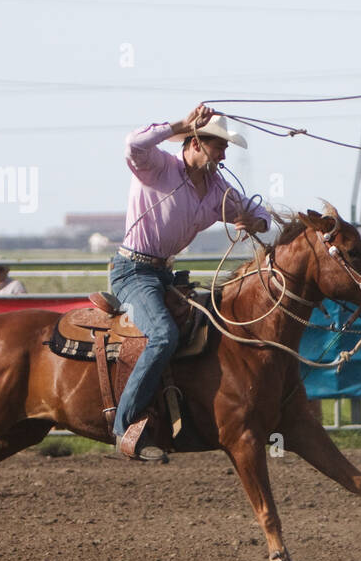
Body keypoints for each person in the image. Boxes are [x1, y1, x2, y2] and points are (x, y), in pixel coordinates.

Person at [114, 105, 270, 460]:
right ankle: (125, 427)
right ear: (196, 142)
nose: (225, 154)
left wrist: (253, 222)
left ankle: (182, 418)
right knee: (164, 335)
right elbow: (132, 144)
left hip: (164, 275)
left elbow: (257, 211)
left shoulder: (217, 188)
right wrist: (179, 125)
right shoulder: (157, 168)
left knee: (212, 326)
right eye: (219, 146)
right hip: (132, 271)